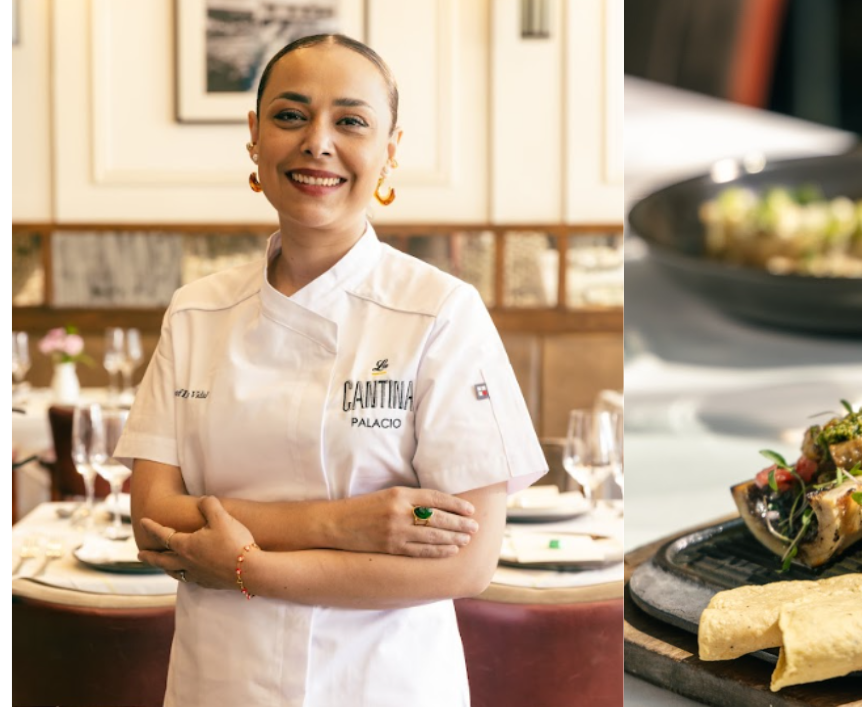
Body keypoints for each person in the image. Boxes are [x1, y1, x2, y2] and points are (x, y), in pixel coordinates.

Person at [116, 34, 547, 707]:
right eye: (291, 115)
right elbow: (153, 517)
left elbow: (469, 560)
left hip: (382, 683)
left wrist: (245, 565)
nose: (318, 142)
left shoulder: (440, 313)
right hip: (222, 681)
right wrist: (344, 524)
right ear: (254, 137)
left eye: (350, 120)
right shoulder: (196, 311)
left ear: (390, 149)